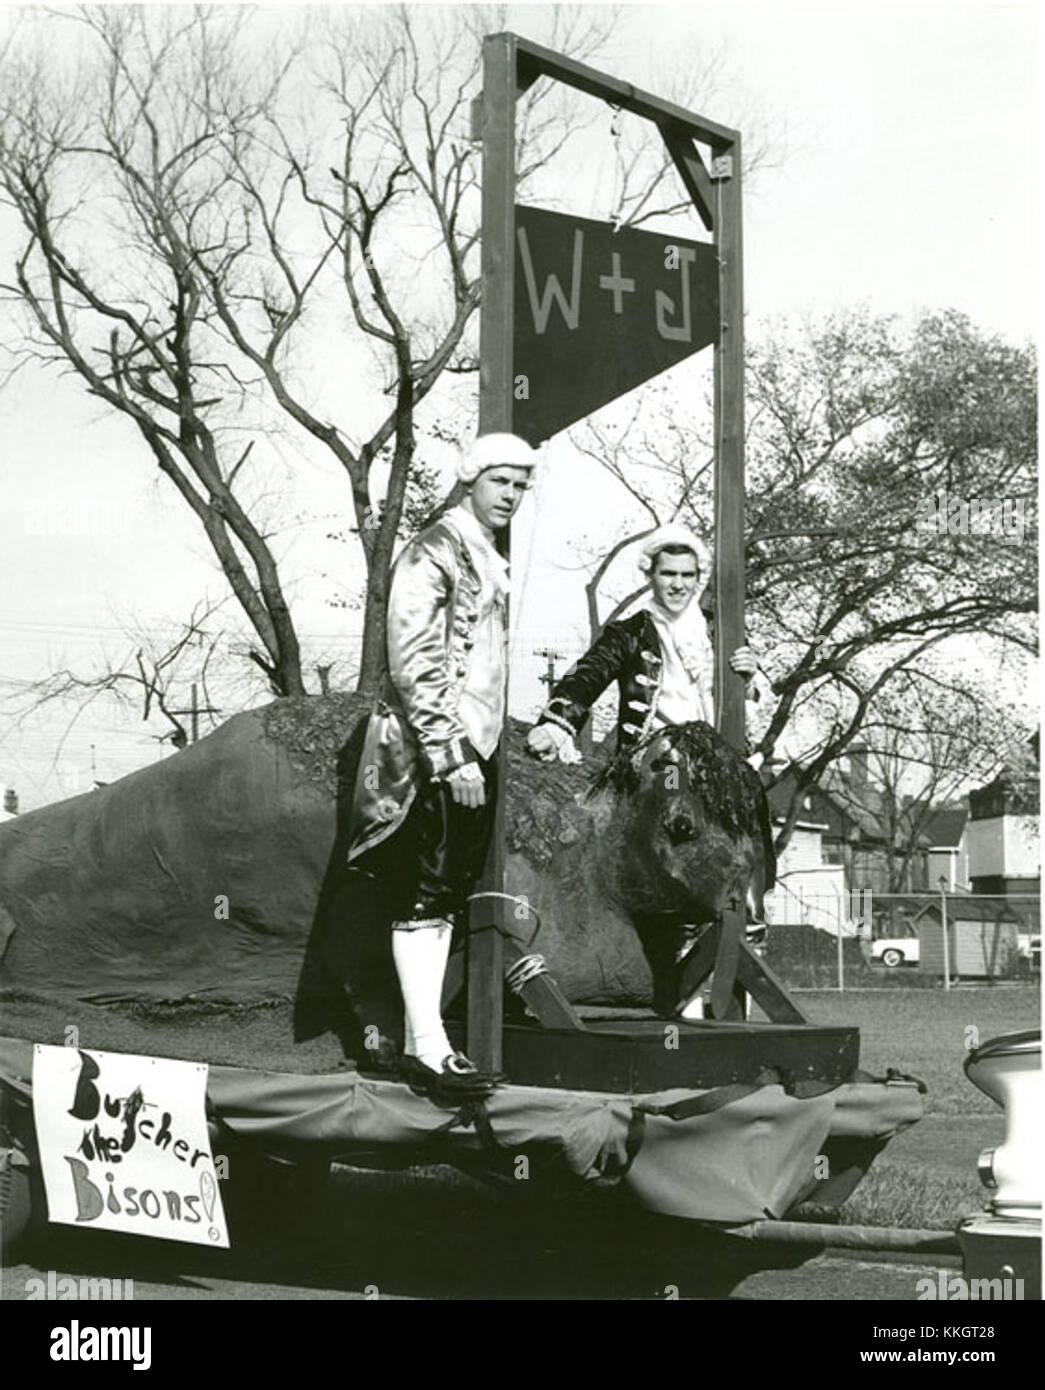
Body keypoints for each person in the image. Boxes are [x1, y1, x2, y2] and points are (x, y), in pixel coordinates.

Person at [345, 432, 538, 1098]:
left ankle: (428, 1039)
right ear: (471, 482)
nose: (510, 496)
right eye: (500, 483)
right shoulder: (435, 548)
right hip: (424, 753)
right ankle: (424, 1046)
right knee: (423, 891)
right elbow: (413, 657)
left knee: (445, 892)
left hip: (471, 748)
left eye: (519, 486)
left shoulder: (483, 552)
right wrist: (450, 750)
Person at [526, 521, 760, 764]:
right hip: (663, 763)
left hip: (721, 764)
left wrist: (748, 682)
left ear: (698, 578)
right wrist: (555, 725)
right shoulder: (628, 633)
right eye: (668, 574)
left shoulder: (722, 633)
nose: (678, 585)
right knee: (674, 793)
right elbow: (585, 673)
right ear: (650, 575)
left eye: (687, 575)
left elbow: (748, 707)